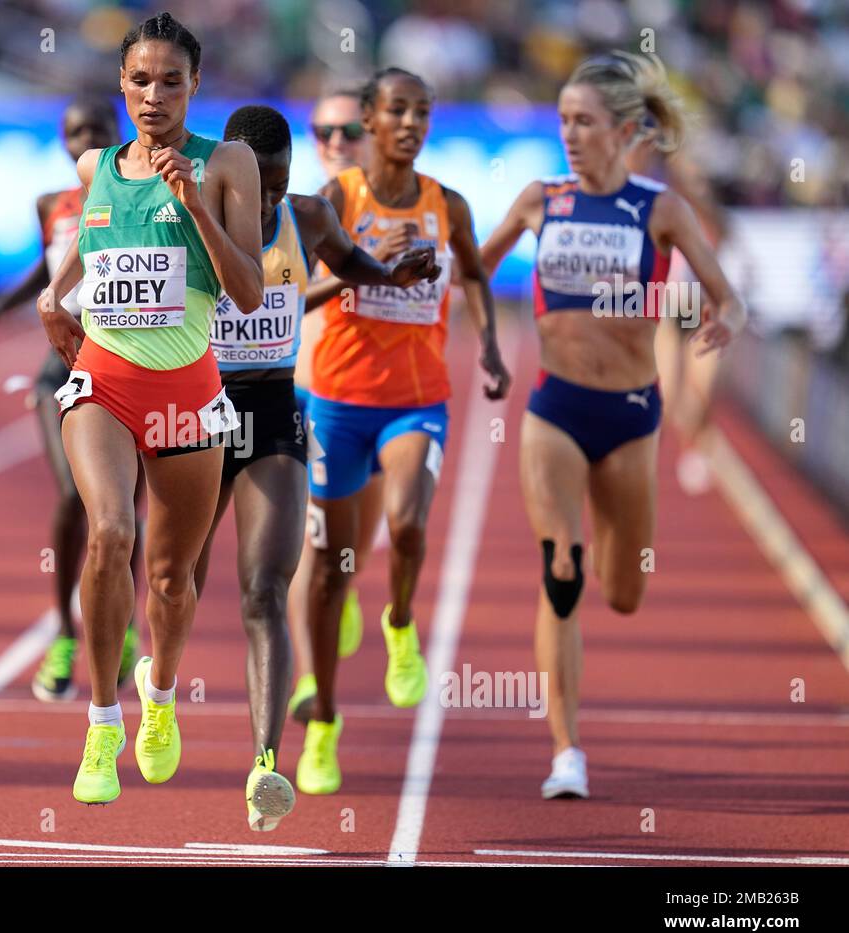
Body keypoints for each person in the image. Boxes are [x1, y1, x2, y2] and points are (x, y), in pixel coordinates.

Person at [477, 51, 745, 798]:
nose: (569, 133)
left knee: (623, 590)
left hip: (630, 418)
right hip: (554, 409)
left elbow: (728, 297)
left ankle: (605, 554)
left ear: (625, 130)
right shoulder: (541, 199)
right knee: (560, 570)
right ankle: (567, 751)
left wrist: (723, 320)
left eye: (584, 122)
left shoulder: (660, 209)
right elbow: (472, 266)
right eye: (562, 120)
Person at [36, 11, 264, 805]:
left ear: (196, 86)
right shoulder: (98, 162)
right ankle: (102, 721)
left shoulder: (228, 162)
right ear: (120, 84)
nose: (154, 94)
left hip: (190, 394)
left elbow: (247, 291)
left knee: (170, 577)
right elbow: (84, 252)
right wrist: (50, 300)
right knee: (110, 531)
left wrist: (194, 201)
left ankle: (158, 697)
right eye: (140, 80)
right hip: (106, 382)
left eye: (172, 81)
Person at [191, 104, 439, 829]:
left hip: (274, 411)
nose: (267, 201)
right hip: (200, 413)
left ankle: (266, 766)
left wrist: (397, 273)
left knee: (266, 590)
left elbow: (356, 272)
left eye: (278, 184)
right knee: (179, 580)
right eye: (256, 187)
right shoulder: (195, 219)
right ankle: (161, 691)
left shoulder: (309, 217)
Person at [298, 67, 511, 795]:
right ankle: (323, 722)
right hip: (335, 401)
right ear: (369, 121)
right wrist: (373, 273)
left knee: (409, 524)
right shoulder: (336, 199)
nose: (412, 122)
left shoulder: (446, 203)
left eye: (423, 110)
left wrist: (489, 348)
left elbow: (477, 276)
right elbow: (296, 295)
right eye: (397, 110)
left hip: (417, 398)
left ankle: (398, 622)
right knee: (327, 568)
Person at [0, 98, 145, 703]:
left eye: (96, 130)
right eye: (74, 132)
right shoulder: (52, 206)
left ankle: (122, 627)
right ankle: (66, 632)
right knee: (75, 495)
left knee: (123, 512)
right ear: (64, 142)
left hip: (129, 362)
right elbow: (49, 272)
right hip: (60, 370)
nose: (84, 139)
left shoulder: (139, 195)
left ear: (116, 133)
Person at [285, 89, 382, 723]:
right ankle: (307, 681)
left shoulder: (407, 205)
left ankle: (344, 591)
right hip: (307, 388)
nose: (335, 141)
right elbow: (279, 294)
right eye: (323, 131)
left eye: (348, 129)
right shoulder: (303, 211)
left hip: (376, 392)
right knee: (310, 545)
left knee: (355, 543)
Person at [626, 136, 731, 495]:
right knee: (668, 391)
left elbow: (720, 240)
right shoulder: (658, 201)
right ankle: (687, 445)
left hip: (700, 303)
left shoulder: (706, 215)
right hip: (672, 300)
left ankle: (699, 447)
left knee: (699, 389)